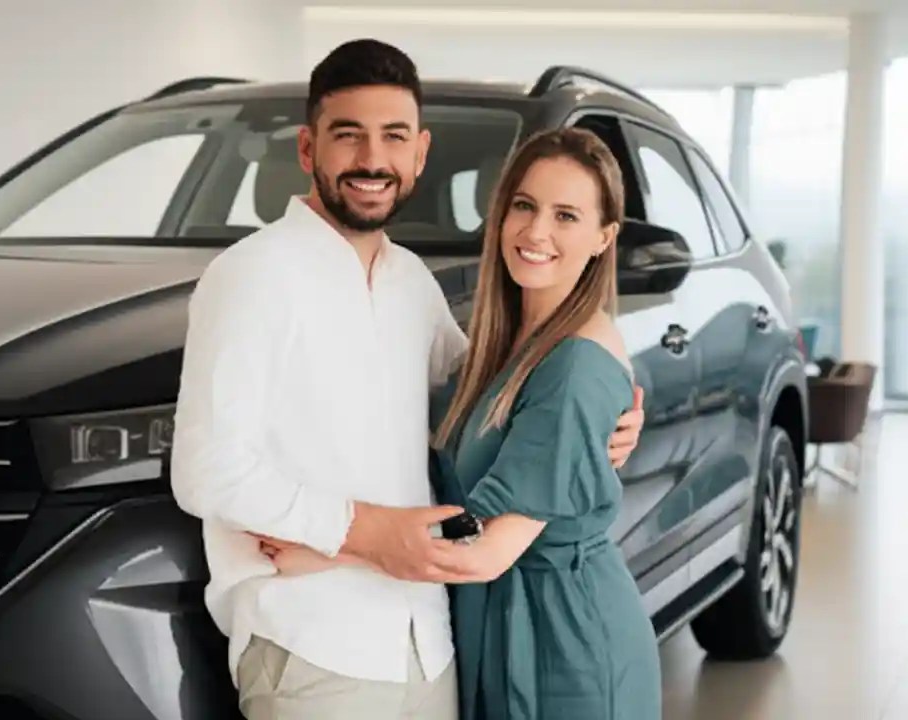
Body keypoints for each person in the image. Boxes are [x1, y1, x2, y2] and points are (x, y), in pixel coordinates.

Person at [168, 40, 645, 720]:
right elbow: (205, 470)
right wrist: (357, 536)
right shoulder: (252, 276)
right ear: (308, 150)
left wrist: (615, 411)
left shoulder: (409, 282)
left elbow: (495, 394)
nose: (371, 159)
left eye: (392, 137)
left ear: (419, 155)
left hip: (432, 643)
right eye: (348, 136)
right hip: (314, 643)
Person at [264, 127, 663, 719]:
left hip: (568, 647)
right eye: (524, 206)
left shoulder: (576, 364)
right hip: (504, 628)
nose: (536, 232)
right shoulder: (505, 341)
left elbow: (484, 550)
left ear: (605, 238)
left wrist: (330, 546)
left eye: (566, 216)